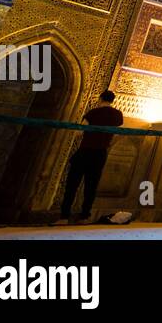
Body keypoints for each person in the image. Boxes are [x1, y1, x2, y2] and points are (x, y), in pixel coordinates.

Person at [59, 90, 124, 223]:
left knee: (72, 185)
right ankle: (84, 216)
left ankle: (64, 216)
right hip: (100, 154)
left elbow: (79, 132)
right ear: (112, 100)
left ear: (100, 98)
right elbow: (117, 133)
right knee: (91, 186)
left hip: (85, 151)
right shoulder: (117, 115)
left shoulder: (93, 113)